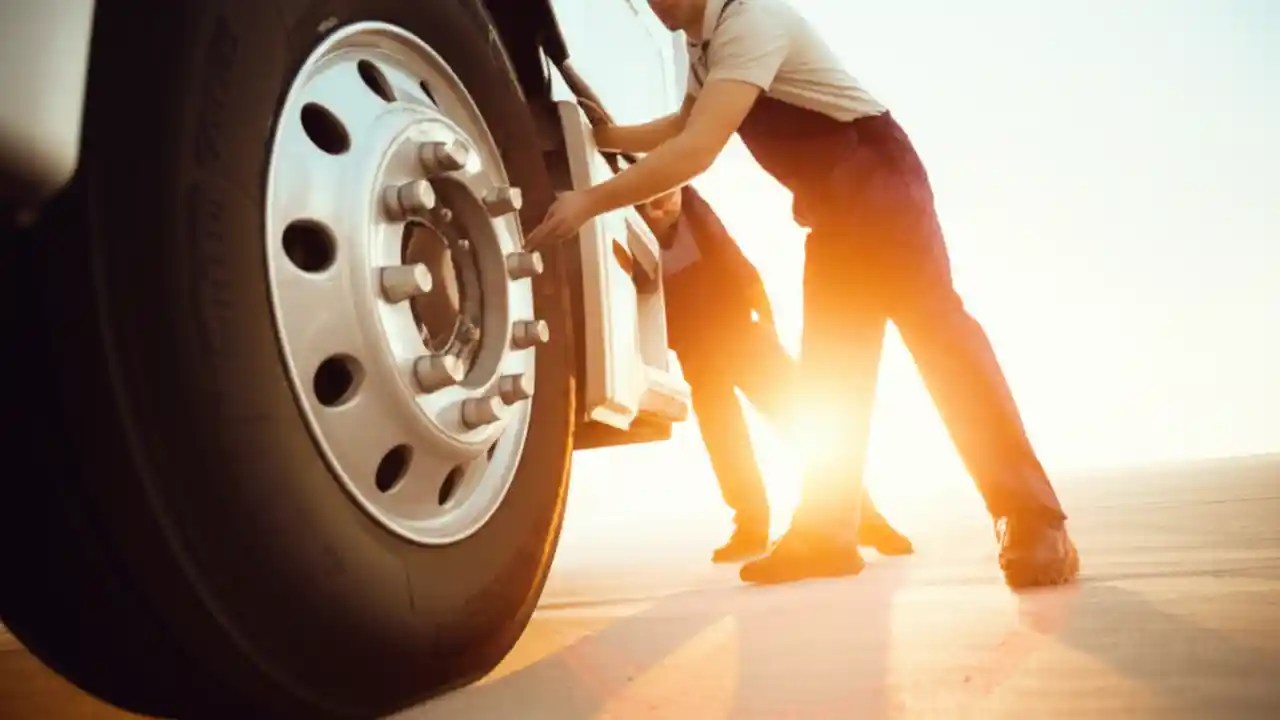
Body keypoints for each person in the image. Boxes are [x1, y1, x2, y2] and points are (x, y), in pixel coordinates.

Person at [528, 0, 1079, 589]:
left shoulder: (750, 23)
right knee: (830, 371)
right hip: (831, 204)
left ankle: (1034, 520)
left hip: (879, 180)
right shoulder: (702, 43)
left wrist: (590, 201)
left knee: (941, 344)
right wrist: (603, 136)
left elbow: (697, 150)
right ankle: (825, 536)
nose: (651, 3)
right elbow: (683, 123)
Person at [637, 183, 914, 563]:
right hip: (695, 350)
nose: (664, 207)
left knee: (802, 419)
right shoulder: (632, 234)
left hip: (741, 331)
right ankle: (751, 526)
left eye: (669, 197)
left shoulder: (694, 209)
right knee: (724, 437)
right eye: (653, 204)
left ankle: (864, 517)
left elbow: (735, 260)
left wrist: (765, 323)